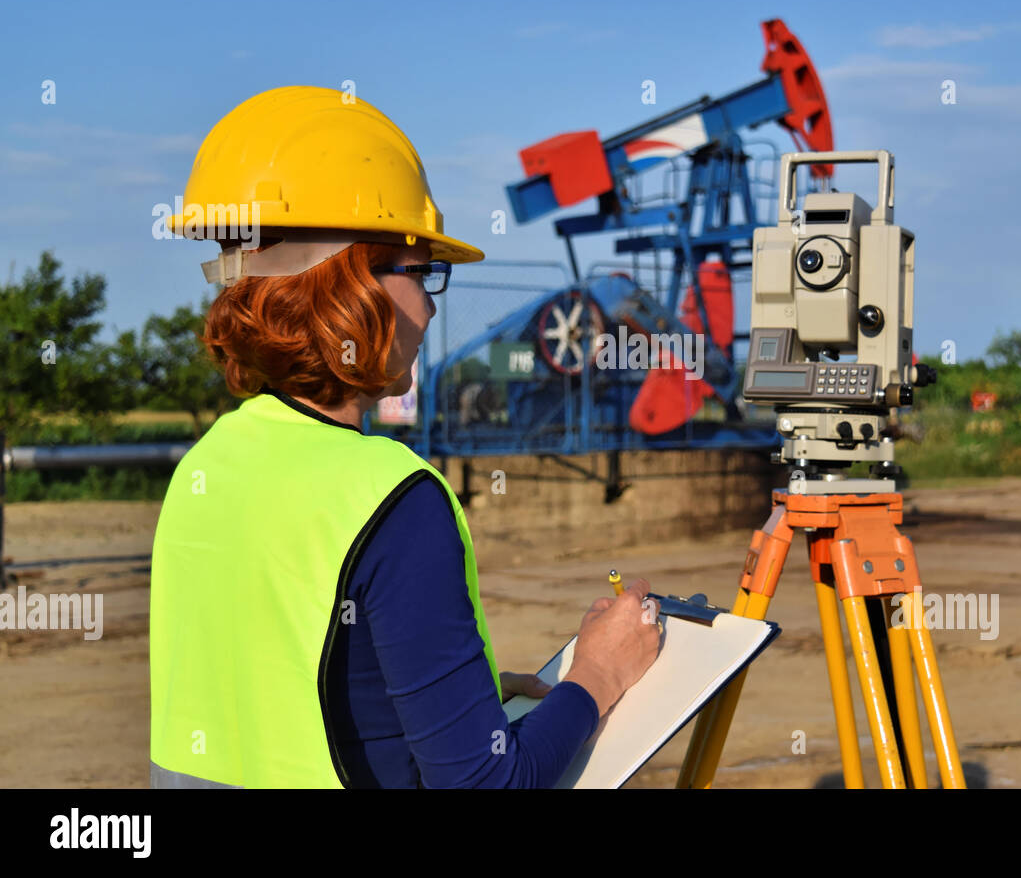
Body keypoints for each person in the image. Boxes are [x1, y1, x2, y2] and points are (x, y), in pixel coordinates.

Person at [149, 86, 660, 788]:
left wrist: (442, 706)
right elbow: (485, 785)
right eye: (421, 273)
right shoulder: (393, 499)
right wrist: (600, 673)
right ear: (348, 287)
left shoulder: (206, 467)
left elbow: (275, 685)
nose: (427, 304)